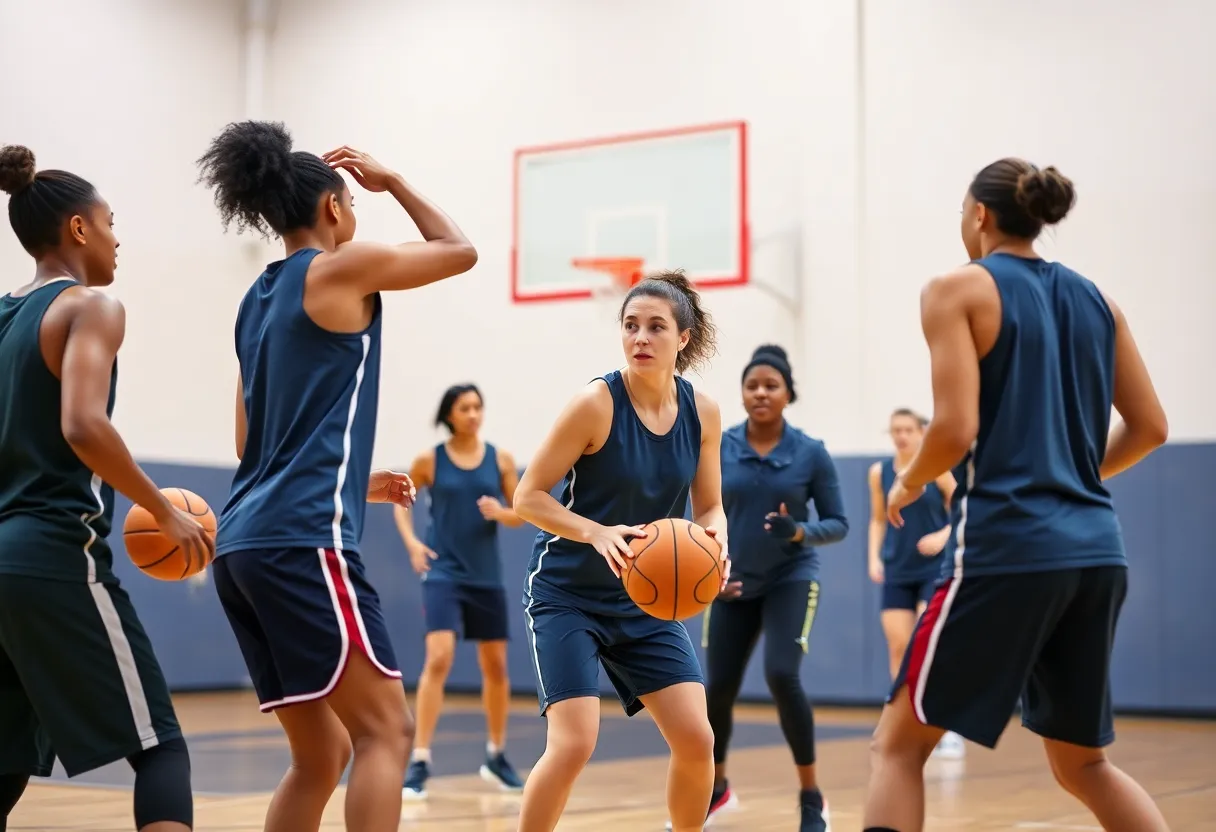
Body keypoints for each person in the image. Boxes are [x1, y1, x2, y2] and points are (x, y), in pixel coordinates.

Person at [862, 159, 1170, 832]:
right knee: (1084, 765)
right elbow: (1152, 428)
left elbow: (956, 427)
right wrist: (1074, 473)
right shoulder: (1099, 301)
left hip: (1007, 549)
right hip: (1097, 555)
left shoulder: (956, 289)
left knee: (896, 746)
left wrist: (911, 481)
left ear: (978, 214)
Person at [195, 121, 478, 832]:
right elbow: (460, 251)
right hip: (302, 540)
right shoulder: (338, 270)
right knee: (388, 733)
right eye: (355, 202)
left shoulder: (254, 299)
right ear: (332, 207)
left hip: (243, 546)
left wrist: (357, 479)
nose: (360, 211)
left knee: (322, 755)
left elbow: (247, 439)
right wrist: (397, 181)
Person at [0, 145, 210, 832]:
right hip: (52, 551)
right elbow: (85, 426)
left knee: (3, 764)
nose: (119, 239)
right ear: (79, 230)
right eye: (111, 222)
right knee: (159, 748)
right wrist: (160, 510)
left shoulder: (3, 318)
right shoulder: (92, 306)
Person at [512, 271, 729, 832]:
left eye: (656, 327)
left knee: (696, 738)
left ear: (683, 338)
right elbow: (527, 496)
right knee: (574, 743)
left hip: (645, 598)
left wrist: (715, 537)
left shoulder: (703, 412)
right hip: (569, 593)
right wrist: (596, 532)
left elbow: (709, 506)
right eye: (631, 326)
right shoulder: (596, 403)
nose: (640, 338)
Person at [697, 344, 847, 832]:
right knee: (716, 689)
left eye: (771, 385)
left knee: (783, 675)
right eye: (752, 385)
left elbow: (839, 523)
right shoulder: (720, 446)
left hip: (791, 577)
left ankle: (811, 796)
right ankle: (717, 788)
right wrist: (707, 571)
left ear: (788, 394)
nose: (760, 392)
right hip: (731, 582)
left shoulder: (811, 453)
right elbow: (699, 513)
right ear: (742, 393)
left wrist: (800, 532)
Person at [394, 383, 525, 798]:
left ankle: (496, 754)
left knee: (496, 668)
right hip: (443, 573)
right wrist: (413, 543)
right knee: (440, 656)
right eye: (465, 407)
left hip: (486, 576)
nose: (473, 413)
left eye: (478, 407)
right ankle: (419, 758)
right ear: (449, 414)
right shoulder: (428, 461)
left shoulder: (500, 459)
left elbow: (522, 511)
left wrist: (502, 513)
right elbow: (401, 498)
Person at [866, 408, 964, 760]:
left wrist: (943, 536)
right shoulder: (880, 472)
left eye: (908, 429)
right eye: (896, 430)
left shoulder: (937, 468)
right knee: (898, 646)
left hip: (933, 569)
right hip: (898, 568)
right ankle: (903, 720)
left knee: (929, 646)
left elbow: (962, 510)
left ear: (922, 432)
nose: (901, 436)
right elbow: (878, 519)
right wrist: (874, 557)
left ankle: (944, 724)